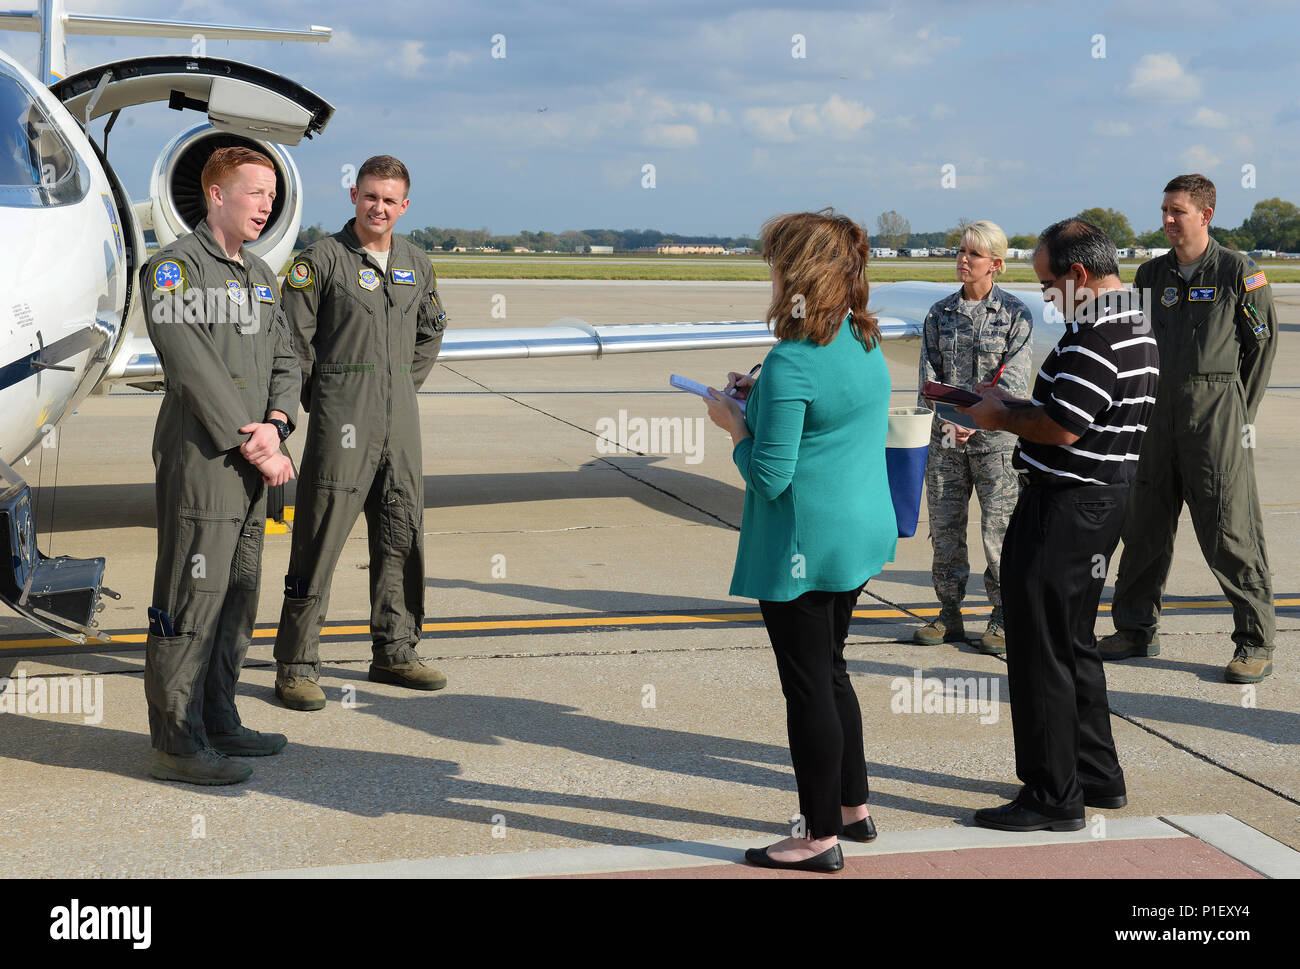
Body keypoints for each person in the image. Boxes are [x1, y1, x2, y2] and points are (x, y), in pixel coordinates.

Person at [704, 210, 897, 872]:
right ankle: (852, 806)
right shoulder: (864, 337)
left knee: (808, 686)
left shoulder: (791, 361)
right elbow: (829, 415)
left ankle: (817, 836)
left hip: (804, 544)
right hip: (857, 534)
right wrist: (762, 400)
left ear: (795, 272)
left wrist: (734, 422)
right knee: (833, 667)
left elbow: (768, 474)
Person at [959, 219, 1158, 831]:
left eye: (1049, 284)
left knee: (1039, 648)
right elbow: (1067, 413)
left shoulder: (1099, 333)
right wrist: (1013, 408)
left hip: (1066, 504)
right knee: (1072, 643)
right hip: (1097, 498)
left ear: (1078, 275)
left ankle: (1052, 794)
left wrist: (999, 418)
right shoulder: (1130, 320)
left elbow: (1063, 427)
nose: (1046, 296)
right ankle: (1097, 775)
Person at [142, 146, 300, 784]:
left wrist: (280, 424)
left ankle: (220, 719)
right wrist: (255, 441)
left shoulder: (260, 274)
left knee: (238, 592)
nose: (267, 204)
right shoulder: (173, 270)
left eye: (270, 194)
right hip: (206, 459)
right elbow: (193, 366)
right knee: (191, 594)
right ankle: (177, 742)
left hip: (255, 460)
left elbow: (287, 358)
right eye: (255, 192)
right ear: (215, 194)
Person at [272, 155, 449, 710]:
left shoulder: (417, 264)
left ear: (405, 206)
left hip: (401, 426)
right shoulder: (319, 261)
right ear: (354, 196)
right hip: (340, 424)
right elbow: (291, 344)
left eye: (390, 199)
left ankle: (395, 649)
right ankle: (297, 665)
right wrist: (327, 398)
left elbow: (429, 333)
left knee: (402, 535)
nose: (379, 207)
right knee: (319, 539)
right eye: (370, 196)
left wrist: (399, 385)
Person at [1100, 174, 1279, 683]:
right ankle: (1135, 628)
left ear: (1206, 215)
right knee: (1144, 526)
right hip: (1156, 417)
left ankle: (1254, 640)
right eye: (1164, 210)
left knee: (1229, 528)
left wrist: (1238, 412)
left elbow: (1261, 350)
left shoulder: (1238, 272)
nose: (1167, 220)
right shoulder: (1150, 276)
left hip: (1216, 413)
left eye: (1177, 211)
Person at [915, 221, 1032, 654]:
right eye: (961, 251)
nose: (963, 260)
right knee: (945, 530)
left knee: (998, 533)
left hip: (996, 446)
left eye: (974, 255)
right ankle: (948, 613)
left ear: (996, 265)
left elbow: (1014, 379)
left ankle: (1002, 616)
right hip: (946, 440)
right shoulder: (939, 313)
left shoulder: (1016, 314)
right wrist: (949, 419)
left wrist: (978, 422)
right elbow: (928, 377)